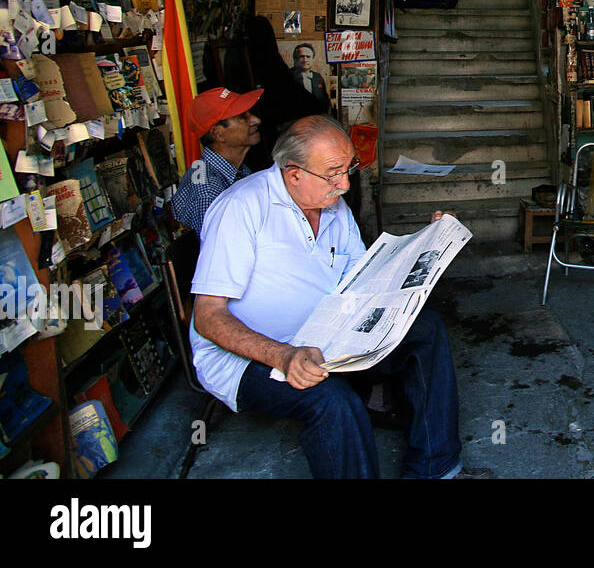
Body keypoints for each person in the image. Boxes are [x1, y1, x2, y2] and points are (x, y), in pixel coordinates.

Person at [190, 116, 462, 479]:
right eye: (332, 173)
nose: (345, 184)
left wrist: (426, 245)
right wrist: (285, 356)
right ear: (293, 174)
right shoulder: (240, 208)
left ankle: (434, 465)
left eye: (347, 168)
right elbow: (207, 317)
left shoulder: (333, 206)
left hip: (327, 331)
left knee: (425, 329)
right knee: (332, 401)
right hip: (253, 356)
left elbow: (362, 279)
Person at [172, 87, 264, 233]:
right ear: (218, 134)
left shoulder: (237, 169)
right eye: (242, 117)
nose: (256, 120)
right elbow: (222, 251)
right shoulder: (208, 192)